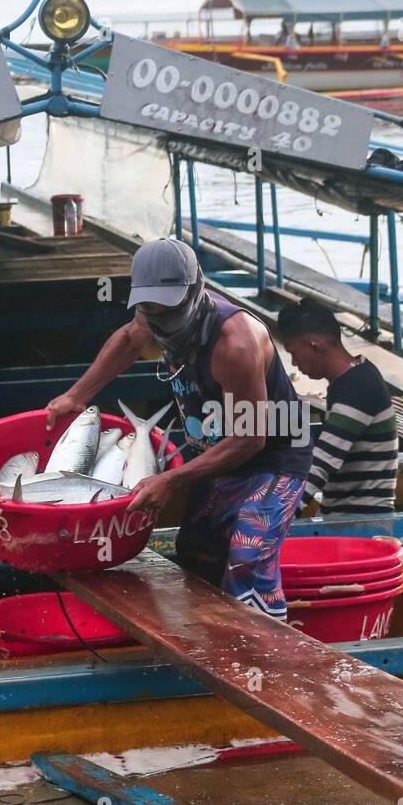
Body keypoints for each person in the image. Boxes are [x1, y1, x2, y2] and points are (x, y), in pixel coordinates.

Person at [46, 238, 312, 619]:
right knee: (196, 555)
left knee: (247, 555)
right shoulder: (150, 314)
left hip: (273, 456)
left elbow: (251, 438)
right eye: (149, 311)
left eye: (168, 311)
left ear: (195, 290)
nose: (159, 322)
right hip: (215, 452)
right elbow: (126, 340)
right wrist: (76, 395)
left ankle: (267, 662)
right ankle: (211, 646)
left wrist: (171, 480)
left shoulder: (234, 344)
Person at [275, 302, 398, 515]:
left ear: (315, 345)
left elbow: (322, 462)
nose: (294, 363)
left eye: (294, 353)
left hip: (362, 521)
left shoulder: (359, 387)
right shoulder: (354, 378)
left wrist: (279, 513)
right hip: (342, 512)